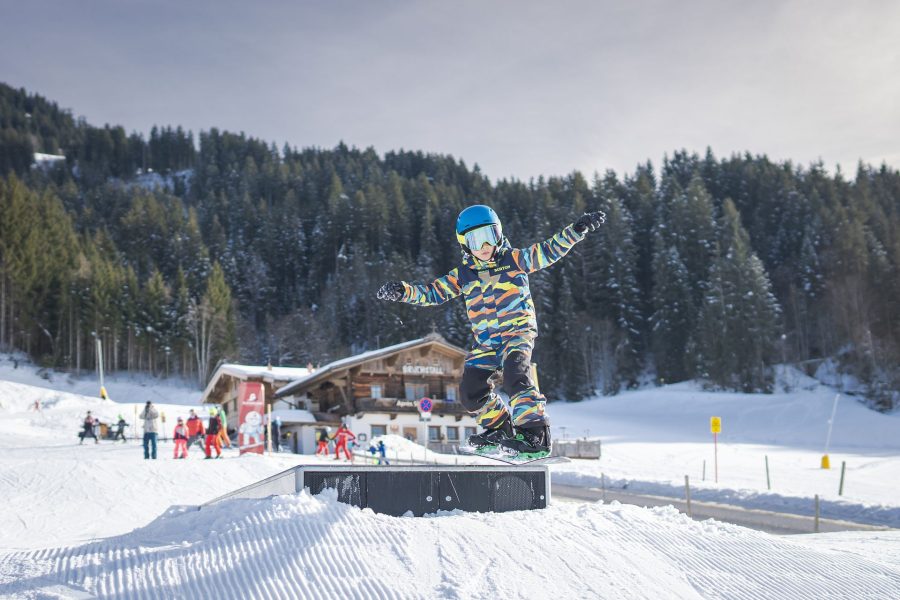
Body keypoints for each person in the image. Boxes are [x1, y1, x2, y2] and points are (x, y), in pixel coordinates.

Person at [377, 205, 605, 459]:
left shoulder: (514, 260)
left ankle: (535, 434)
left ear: (499, 234)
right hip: (486, 343)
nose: (484, 245)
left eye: (490, 235)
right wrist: (403, 291)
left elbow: (548, 251)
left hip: (517, 333)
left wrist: (576, 230)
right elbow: (433, 293)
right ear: (465, 244)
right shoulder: (463, 275)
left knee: (515, 376)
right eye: (476, 240)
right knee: (470, 392)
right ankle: (500, 427)